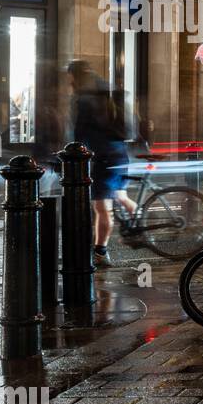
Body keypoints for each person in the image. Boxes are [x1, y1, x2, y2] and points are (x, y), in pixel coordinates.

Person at [67, 60, 136, 267]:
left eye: (70, 76)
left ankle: (100, 252)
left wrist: (73, 153)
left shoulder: (84, 97)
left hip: (104, 156)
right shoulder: (106, 89)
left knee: (101, 206)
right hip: (119, 153)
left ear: (74, 75)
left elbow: (80, 134)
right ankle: (139, 224)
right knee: (120, 196)